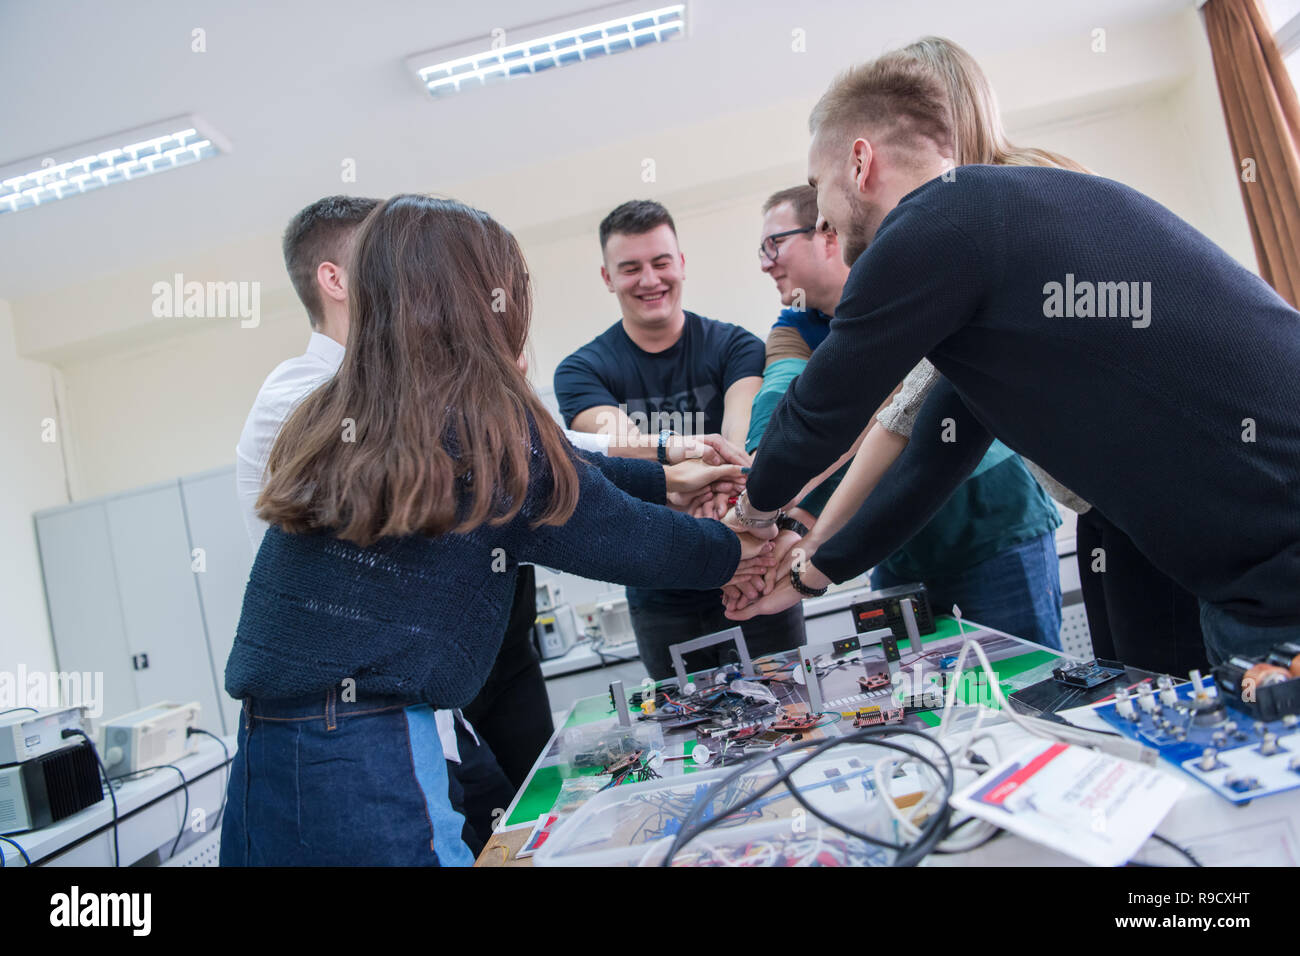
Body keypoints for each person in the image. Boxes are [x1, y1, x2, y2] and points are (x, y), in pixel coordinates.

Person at [220, 195, 771, 866]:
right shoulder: (461, 424)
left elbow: (554, 466)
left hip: (269, 747)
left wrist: (663, 480)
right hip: (364, 751)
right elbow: (600, 525)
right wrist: (744, 544)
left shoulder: (354, 404)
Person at [727, 42, 1300, 668]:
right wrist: (813, 575)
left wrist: (753, 513)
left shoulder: (927, 227)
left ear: (860, 162)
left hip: (1273, 542)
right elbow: (935, 455)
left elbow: (822, 411)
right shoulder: (992, 225)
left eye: (819, 187)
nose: (825, 219)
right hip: (1252, 539)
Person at [742, 181, 1064, 649]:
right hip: (889, 548)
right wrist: (756, 487)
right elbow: (783, 404)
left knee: (1025, 687)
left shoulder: (907, 290)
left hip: (991, 529)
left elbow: (887, 416)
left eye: (776, 243)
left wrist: (793, 522)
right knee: (919, 697)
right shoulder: (794, 324)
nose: (765, 261)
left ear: (827, 234)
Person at [555, 199, 805, 679]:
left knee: (788, 708)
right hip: (661, 585)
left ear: (681, 264)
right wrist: (691, 483)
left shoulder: (736, 346)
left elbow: (740, 437)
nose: (649, 280)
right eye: (630, 268)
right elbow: (619, 444)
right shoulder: (581, 370)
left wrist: (714, 490)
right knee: (685, 729)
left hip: (755, 564)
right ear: (608, 278)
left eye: (660, 262)